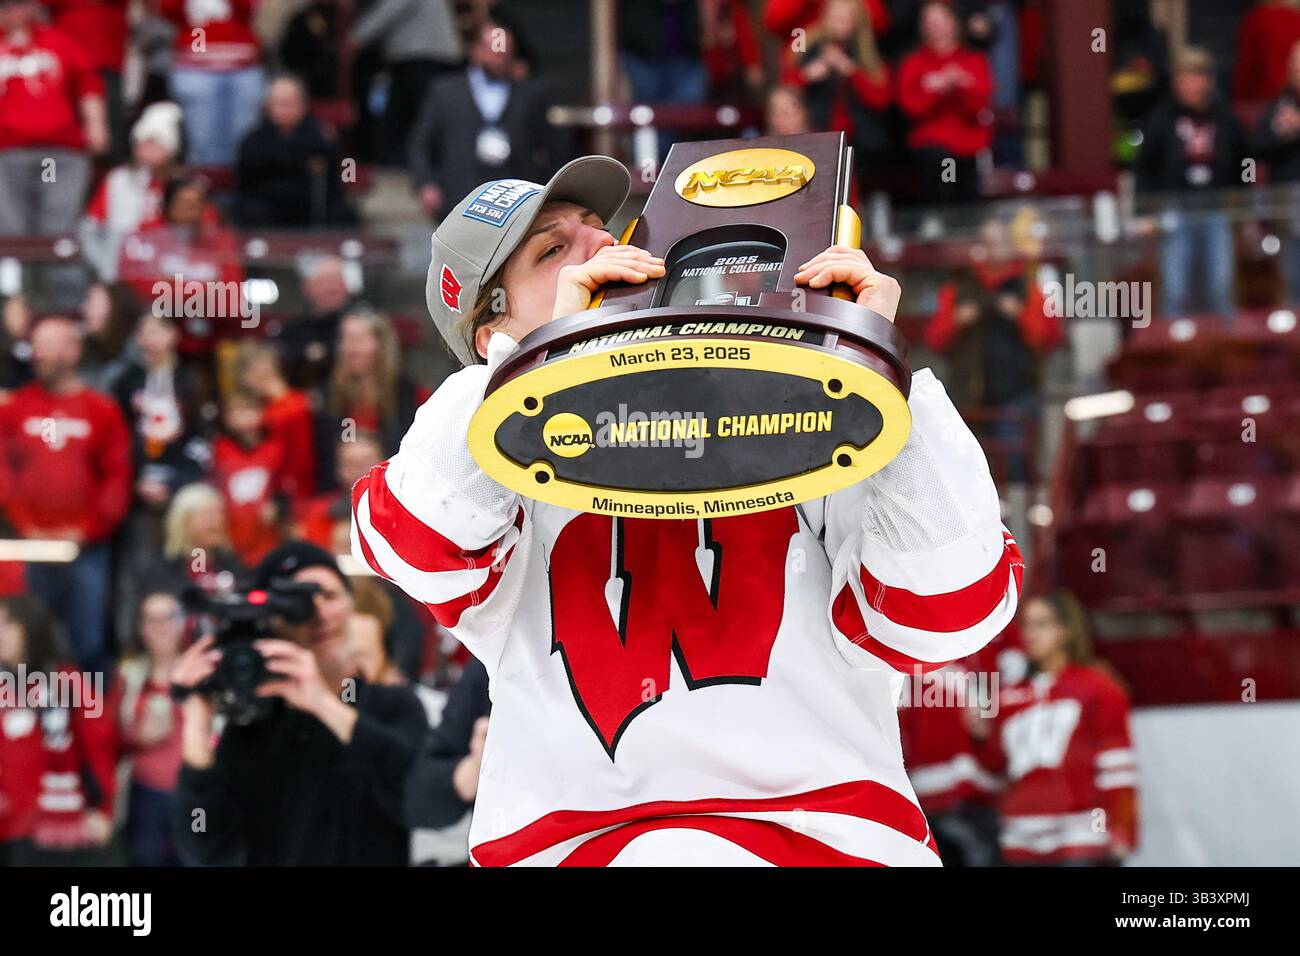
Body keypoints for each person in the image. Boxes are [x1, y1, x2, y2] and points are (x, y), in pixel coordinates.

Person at [349, 157, 1022, 866]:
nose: (601, 248)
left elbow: (952, 612)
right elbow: (413, 535)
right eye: (554, 251)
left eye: (598, 229)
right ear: (493, 340)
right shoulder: (490, 476)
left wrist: (882, 365)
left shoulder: (807, 412)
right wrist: (537, 363)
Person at [168, 541, 429, 865]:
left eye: (329, 595)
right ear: (272, 622)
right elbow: (205, 850)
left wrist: (323, 704)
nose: (318, 614)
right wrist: (196, 728)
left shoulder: (391, 704)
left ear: (352, 605)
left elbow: (422, 799)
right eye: (297, 603)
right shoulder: (255, 724)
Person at [968, 590, 1139, 865]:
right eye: (1026, 624)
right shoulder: (1009, 698)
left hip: (1081, 839)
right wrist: (979, 735)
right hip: (1019, 842)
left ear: (1065, 629)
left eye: (1041, 623)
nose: (1030, 633)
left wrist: (1123, 831)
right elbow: (995, 768)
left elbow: (1118, 769)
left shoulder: (1099, 687)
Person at [0, 315, 131, 671]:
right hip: (28, 544)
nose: (39, 355)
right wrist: (24, 523)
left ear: (73, 350)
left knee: (87, 644)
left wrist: (89, 529)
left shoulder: (101, 410)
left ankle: (92, 722)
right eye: (36, 346)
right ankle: (26, 724)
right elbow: (4, 471)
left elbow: (117, 478)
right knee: (25, 642)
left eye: (49, 346)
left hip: (86, 548)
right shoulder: (16, 408)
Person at [0, 594, 120, 866]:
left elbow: (100, 747)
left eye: (7, 624)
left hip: (52, 828)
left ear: (30, 628)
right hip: (7, 824)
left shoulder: (70, 681)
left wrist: (103, 809)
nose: (0, 634)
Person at [408, 19, 556, 220]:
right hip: (458, 198)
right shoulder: (445, 92)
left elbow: (553, 146)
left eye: (506, 51)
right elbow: (420, 144)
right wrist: (425, 184)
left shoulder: (529, 94)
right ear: (474, 50)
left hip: (517, 201)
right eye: (493, 50)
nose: (500, 58)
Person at [1137, 47, 1245, 321]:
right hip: (1174, 211)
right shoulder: (1162, 119)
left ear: (1207, 80)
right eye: (1180, 78)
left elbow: (1246, 162)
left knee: (1219, 287)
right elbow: (1145, 168)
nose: (1185, 85)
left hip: (1216, 209)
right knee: (1175, 290)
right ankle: (1176, 349)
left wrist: (1244, 202)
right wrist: (1144, 213)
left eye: (1191, 77)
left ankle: (1225, 345)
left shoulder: (1225, 119)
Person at [0, 0, 107, 236]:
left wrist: (96, 124)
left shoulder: (57, 42)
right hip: (7, 155)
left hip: (57, 154)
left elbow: (88, 84)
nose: (14, 11)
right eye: (7, 6)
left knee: (56, 228)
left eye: (20, 4)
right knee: (10, 231)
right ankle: (16, 274)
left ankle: (49, 273)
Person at [313, 308, 429, 488]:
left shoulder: (411, 396)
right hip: (338, 495)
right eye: (345, 339)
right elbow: (323, 458)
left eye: (359, 340)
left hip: (394, 490)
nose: (350, 348)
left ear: (381, 344)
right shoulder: (328, 397)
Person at [114, 590, 187, 866]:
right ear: (141, 628)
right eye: (151, 620)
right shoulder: (129, 673)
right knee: (145, 859)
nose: (160, 627)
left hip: (192, 791)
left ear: (182, 623)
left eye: (168, 618)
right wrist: (137, 736)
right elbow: (110, 738)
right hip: (144, 791)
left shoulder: (201, 670)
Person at [898, 0, 992, 204]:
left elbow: (979, 106)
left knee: (968, 194)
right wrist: (936, 89)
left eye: (941, 21)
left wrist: (959, 84)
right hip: (934, 148)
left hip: (968, 147)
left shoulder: (973, 61)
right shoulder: (914, 63)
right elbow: (910, 107)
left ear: (955, 23)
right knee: (944, 178)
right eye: (930, 23)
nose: (936, 28)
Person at [235, 73, 357, 229]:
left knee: (343, 214)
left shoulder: (321, 135)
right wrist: (298, 159)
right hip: (268, 204)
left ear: (303, 105)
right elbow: (247, 179)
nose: (283, 110)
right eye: (278, 103)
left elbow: (342, 167)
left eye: (288, 103)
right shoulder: (253, 139)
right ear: (267, 106)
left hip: (311, 203)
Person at [786, 0, 893, 176]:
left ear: (856, 23)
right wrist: (807, 76)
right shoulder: (808, 47)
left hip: (860, 139)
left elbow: (881, 100)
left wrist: (851, 71)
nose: (838, 25)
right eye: (834, 19)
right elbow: (785, 92)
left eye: (845, 20)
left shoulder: (865, 53)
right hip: (817, 133)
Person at [349, 0, 461, 167]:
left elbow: (391, 8)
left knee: (413, 115)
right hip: (431, 57)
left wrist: (356, 38)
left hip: (421, 58)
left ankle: (407, 164)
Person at [82, 102, 183, 281]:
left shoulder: (178, 186)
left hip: (168, 269)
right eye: (144, 143)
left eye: (156, 145)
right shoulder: (118, 180)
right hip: (121, 267)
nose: (148, 151)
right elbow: (91, 226)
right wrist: (105, 266)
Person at [160, 0, 264, 166]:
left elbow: (249, 10)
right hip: (196, 63)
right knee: (202, 141)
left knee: (244, 141)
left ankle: (241, 187)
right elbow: (169, 11)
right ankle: (203, 187)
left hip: (242, 67)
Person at [211, 389, 289, 568]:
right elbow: (215, 486)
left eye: (249, 409)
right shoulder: (221, 449)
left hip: (269, 534)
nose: (243, 416)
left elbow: (287, 488)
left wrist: (278, 506)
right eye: (236, 411)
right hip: (233, 534)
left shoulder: (276, 448)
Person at [1252, 40, 1300, 303]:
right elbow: (1255, 148)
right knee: (1293, 279)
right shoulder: (1280, 106)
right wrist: (1282, 134)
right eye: (1294, 69)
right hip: (1287, 207)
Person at [266, 254, 356, 388]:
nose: (332, 288)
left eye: (337, 281)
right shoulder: (291, 331)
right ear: (306, 287)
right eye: (324, 282)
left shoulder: (359, 328)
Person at [1234, 0, 1300, 104]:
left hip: (1263, 98)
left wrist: (1239, 99)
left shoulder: (1258, 18)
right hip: (1288, 98)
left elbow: (1246, 66)